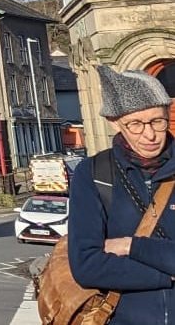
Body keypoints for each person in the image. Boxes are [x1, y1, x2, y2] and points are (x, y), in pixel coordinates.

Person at [66, 65, 175, 325]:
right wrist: (166, 275)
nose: (150, 134)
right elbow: (86, 265)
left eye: (157, 121)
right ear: (114, 122)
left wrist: (130, 246)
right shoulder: (93, 174)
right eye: (136, 123)